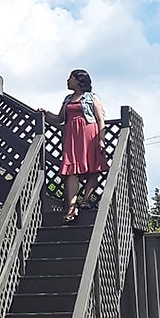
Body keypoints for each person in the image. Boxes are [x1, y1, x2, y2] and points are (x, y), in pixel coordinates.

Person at [38, 69, 109, 222]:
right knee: (71, 170)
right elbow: (59, 119)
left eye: (71, 78)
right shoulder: (68, 99)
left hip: (89, 134)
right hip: (72, 136)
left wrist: (101, 139)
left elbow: (100, 120)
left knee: (93, 168)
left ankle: (85, 200)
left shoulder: (92, 97)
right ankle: (71, 206)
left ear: (79, 80)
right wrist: (45, 113)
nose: (68, 80)